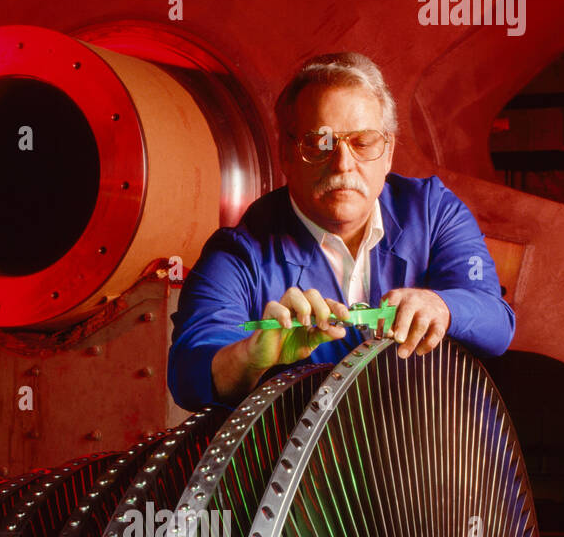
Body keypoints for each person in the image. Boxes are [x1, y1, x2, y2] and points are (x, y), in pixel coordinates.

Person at [167, 51, 515, 410]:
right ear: (286, 153)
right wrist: (250, 355)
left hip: (439, 455)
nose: (344, 163)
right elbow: (188, 373)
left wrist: (442, 305)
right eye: (320, 144)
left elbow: (496, 324)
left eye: (363, 143)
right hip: (311, 464)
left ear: (389, 152)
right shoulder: (240, 252)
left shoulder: (433, 211)